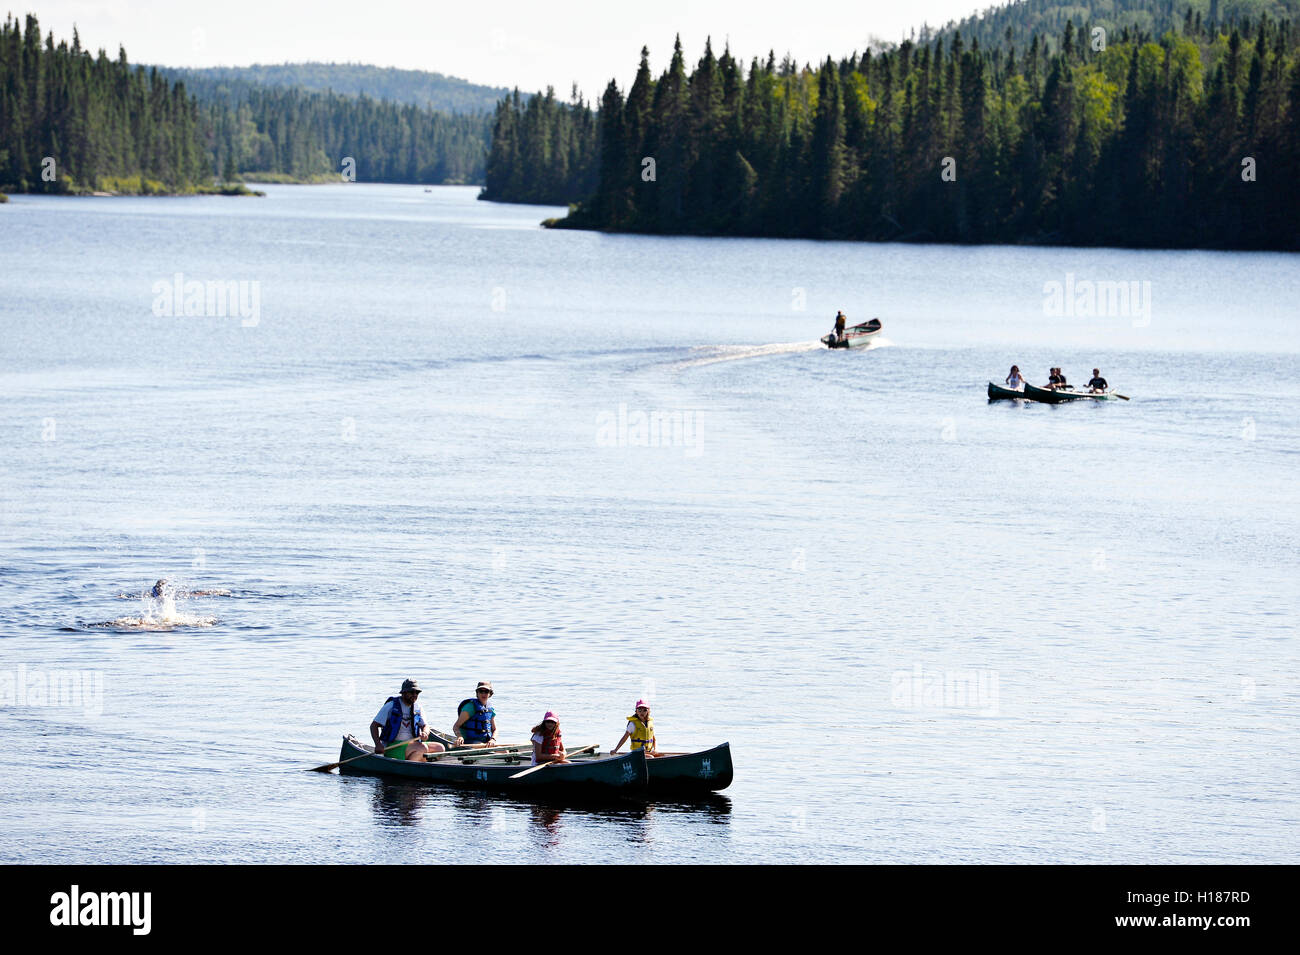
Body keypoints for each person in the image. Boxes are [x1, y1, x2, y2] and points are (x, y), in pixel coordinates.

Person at [370, 679, 445, 761]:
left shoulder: (418, 707)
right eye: (411, 692)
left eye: (417, 693)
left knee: (440, 748)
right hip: (393, 746)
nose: (415, 695)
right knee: (422, 747)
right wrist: (378, 744)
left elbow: (425, 725)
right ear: (404, 693)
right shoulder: (391, 706)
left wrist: (425, 733)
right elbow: (374, 725)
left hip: (412, 745)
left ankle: (416, 759)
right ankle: (410, 766)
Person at [452, 681, 497, 746]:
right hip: (469, 741)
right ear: (477, 693)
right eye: (481, 691)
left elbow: (495, 729)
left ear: (490, 693)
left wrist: (493, 739)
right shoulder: (470, 707)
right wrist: (459, 737)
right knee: (482, 747)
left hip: (486, 741)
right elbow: (456, 726)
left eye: (486, 691)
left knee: (505, 751)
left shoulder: (490, 709)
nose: (483, 694)